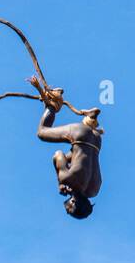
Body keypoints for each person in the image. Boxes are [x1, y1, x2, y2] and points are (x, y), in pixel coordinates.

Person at [33, 79, 103, 220]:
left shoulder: (94, 190)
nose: (66, 209)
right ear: (73, 203)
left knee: (77, 149)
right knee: (42, 132)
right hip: (79, 134)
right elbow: (57, 155)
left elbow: (79, 156)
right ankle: (54, 101)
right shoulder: (68, 179)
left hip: (96, 140)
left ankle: (91, 118)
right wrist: (60, 181)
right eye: (69, 210)